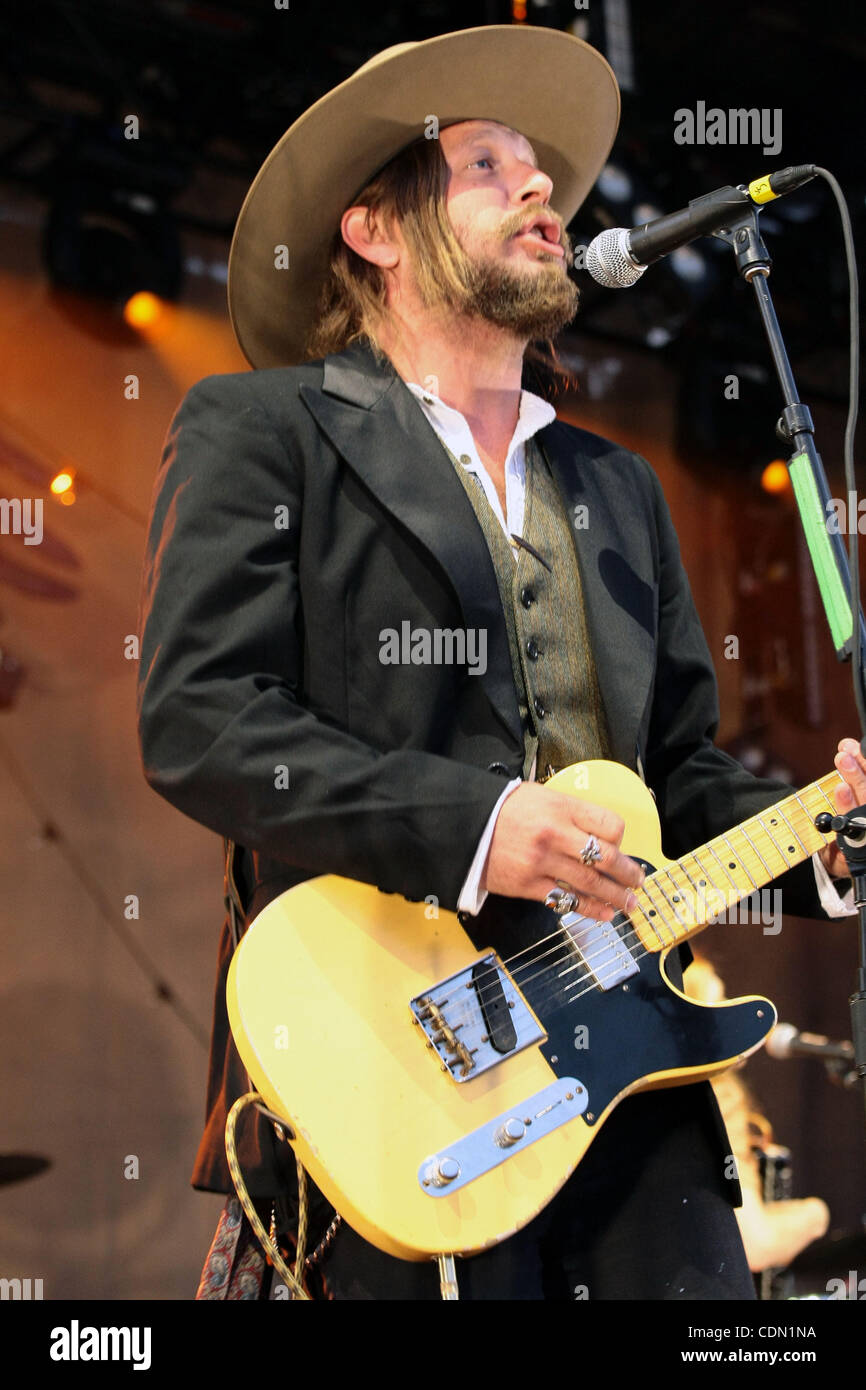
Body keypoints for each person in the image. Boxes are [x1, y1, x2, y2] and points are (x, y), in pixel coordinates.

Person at [136, 25, 863, 1300]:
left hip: (633, 1085)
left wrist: (830, 843)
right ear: (373, 230)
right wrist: (475, 824)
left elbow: (681, 782)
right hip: (397, 1071)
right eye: (488, 165)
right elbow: (200, 718)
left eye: (540, 172)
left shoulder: (612, 486)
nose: (543, 192)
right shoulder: (268, 433)